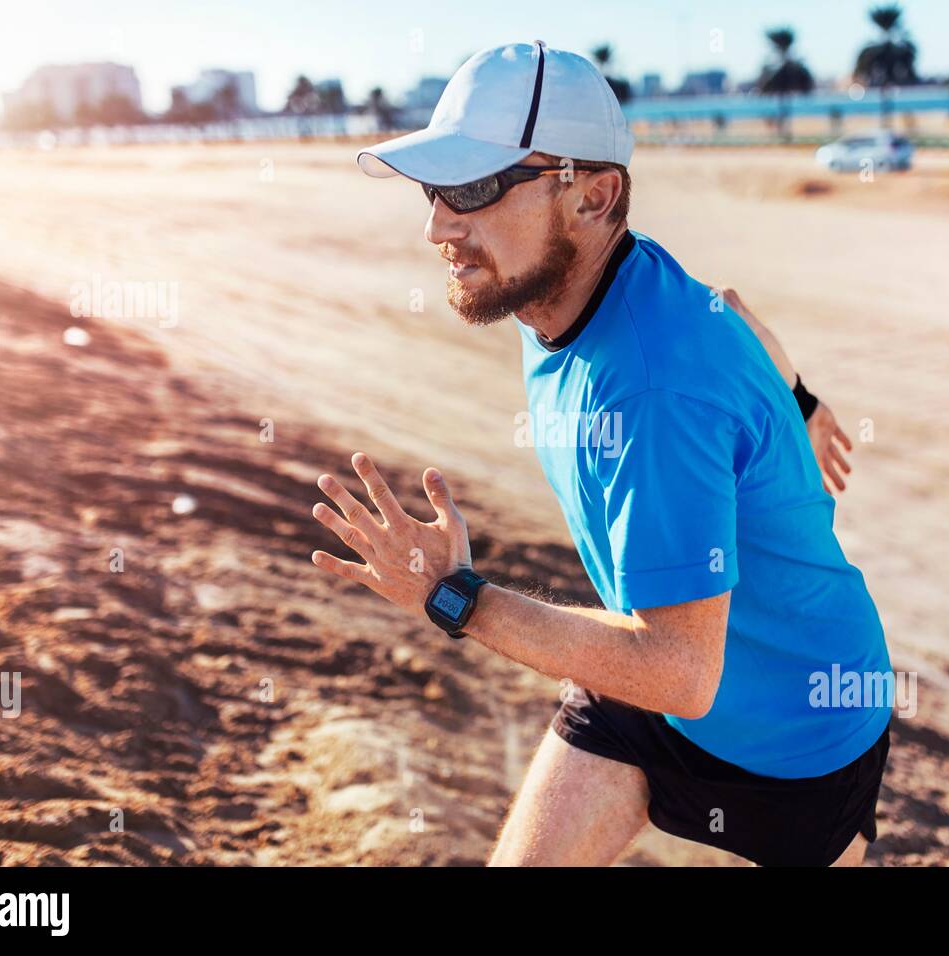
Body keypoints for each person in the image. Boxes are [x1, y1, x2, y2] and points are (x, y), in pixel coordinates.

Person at [311, 42, 893, 866]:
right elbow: (727, 306)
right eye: (435, 188)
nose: (438, 224)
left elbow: (684, 674)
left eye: (474, 189)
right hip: (645, 658)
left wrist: (453, 596)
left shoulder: (655, 391)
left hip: (795, 733)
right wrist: (801, 399)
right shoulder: (572, 286)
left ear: (593, 195)